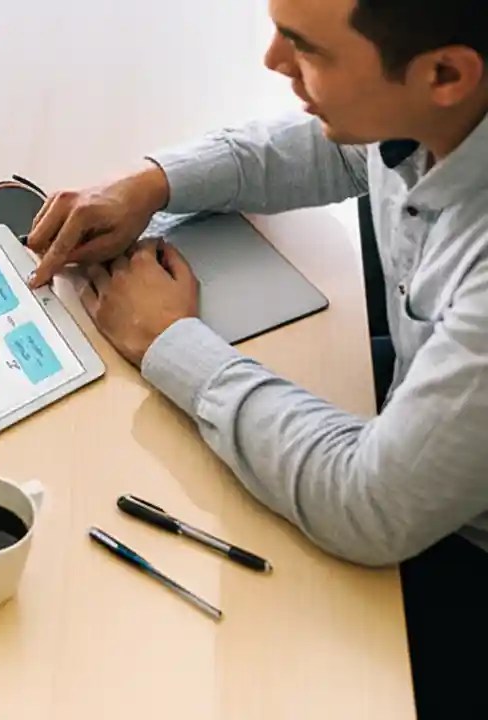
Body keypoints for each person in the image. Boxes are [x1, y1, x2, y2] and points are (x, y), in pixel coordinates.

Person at [26, 0, 486, 715]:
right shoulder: (441, 107)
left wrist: (168, 342)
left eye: (307, 50)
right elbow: (345, 146)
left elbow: (369, 504)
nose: (271, 61)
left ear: (447, 74)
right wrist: (156, 183)